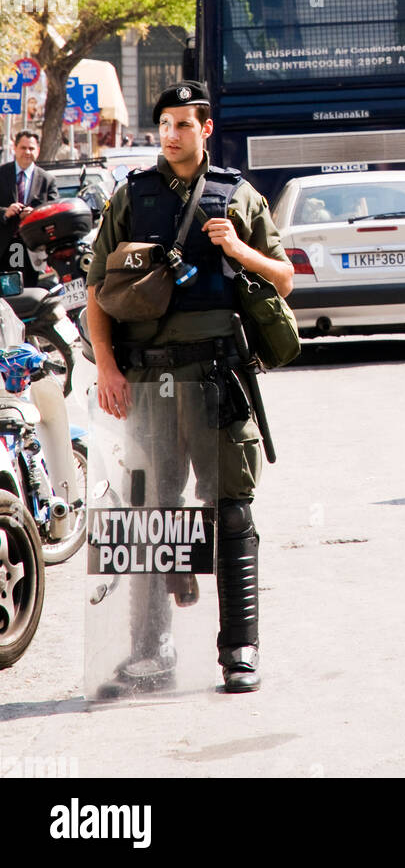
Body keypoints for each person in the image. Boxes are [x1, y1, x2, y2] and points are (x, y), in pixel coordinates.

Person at [86, 81, 293, 694]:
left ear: (206, 128)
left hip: (217, 378)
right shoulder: (131, 197)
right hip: (147, 380)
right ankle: (151, 651)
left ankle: (239, 651)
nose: (171, 133)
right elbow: (98, 289)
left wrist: (239, 250)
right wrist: (106, 364)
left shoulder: (240, 196)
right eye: (164, 123)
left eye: (183, 123)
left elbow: (284, 280)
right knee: (150, 516)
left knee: (230, 512)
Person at [0, 130, 59, 287]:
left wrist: (35, 214)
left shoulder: (47, 180)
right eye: (23, 148)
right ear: (15, 148)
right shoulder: (2, 174)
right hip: (5, 248)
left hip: (34, 250)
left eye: (31, 149)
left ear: (38, 151)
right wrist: (5, 212)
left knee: (31, 295)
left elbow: (54, 212)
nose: (27, 152)